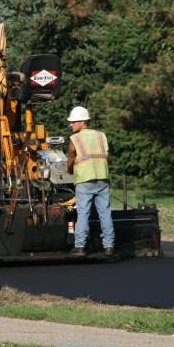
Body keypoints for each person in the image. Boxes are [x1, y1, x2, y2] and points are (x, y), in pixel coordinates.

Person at [66, 106, 115, 256]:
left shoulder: (75, 139)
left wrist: (68, 170)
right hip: (102, 179)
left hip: (85, 180)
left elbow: (71, 158)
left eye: (73, 122)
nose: (70, 125)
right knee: (105, 213)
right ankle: (109, 246)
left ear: (82, 122)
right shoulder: (101, 136)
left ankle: (80, 247)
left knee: (83, 213)